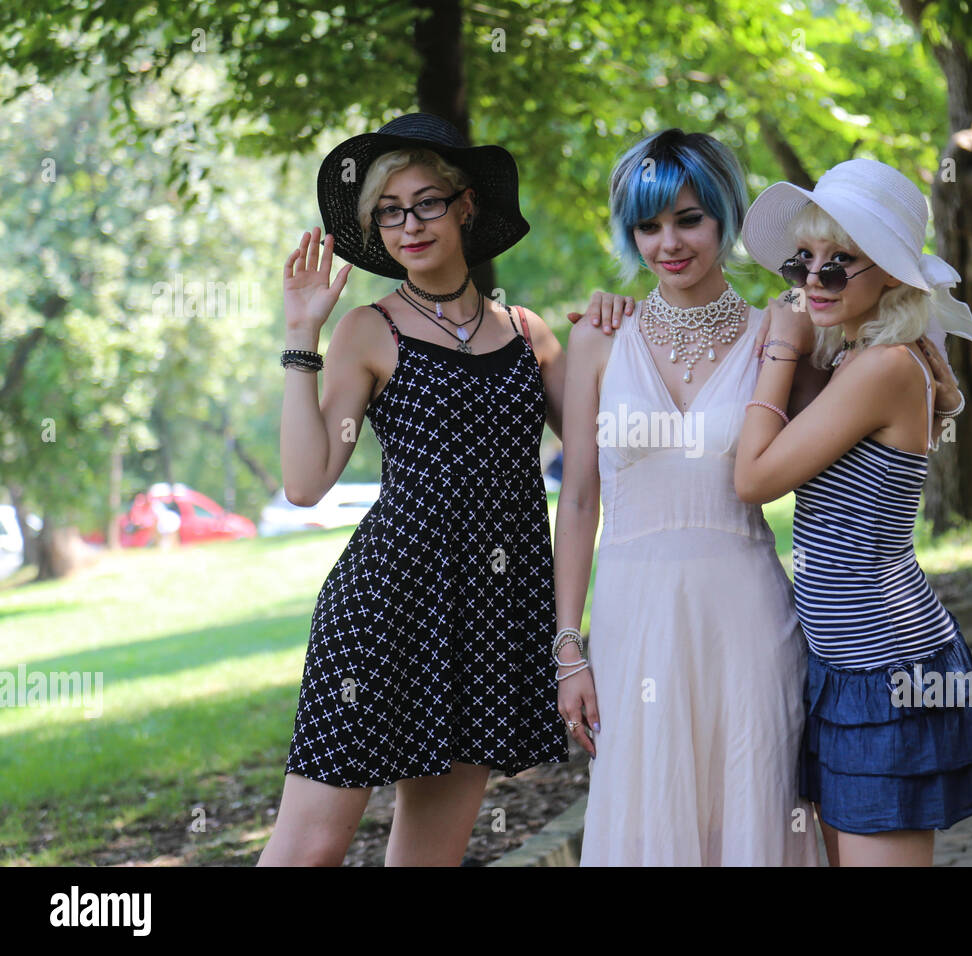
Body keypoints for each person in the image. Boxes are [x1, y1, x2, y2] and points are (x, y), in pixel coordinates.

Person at [258, 113, 569, 867]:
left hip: (494, 616)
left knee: (431, 853)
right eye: (389, 212)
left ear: (465, 204)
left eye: (426, 202)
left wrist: (622, 330)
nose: (409, 225)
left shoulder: (531, 335)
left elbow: (602, 458)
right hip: (386, 608)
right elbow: (305, 482)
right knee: (311, 846)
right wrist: (303, 333)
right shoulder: (370, 330)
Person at [552, 128, 828, 866]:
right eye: (648, 224)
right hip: (630, 621)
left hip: (746, 617)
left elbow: (838, 462)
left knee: (753, 810)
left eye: (688, 219)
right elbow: (579, 500)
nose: (667, 243)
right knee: (646, 820)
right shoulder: (600, 339)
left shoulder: (779, 334)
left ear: (725, 217)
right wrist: (567, 649)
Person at [733, 158, 972, 867]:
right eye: (803, 263)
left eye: (839, 265)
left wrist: (782, 350)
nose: (813, 281)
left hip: (889, 672)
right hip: (840, 671)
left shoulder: (881, 368)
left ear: (892, 276)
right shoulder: (859, 357)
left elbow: (754, 477)